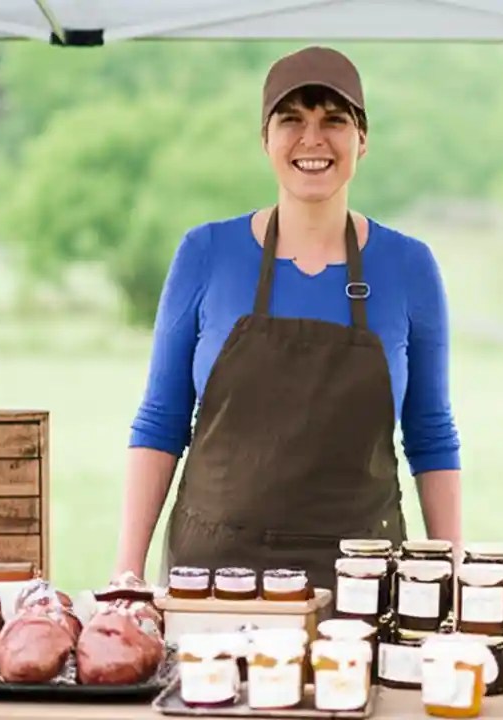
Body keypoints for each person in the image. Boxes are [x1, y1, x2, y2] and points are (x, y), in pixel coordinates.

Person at [112, 46, 462, 591]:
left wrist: (452, 573)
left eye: (334, 121)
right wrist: (126, 574)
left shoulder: (409, 265)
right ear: (266, 140)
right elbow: (160, 421)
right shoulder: (207, 252)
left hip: (361, 581)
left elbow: (431, 434)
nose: (312, 139)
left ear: (362, 141)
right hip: (213, 577)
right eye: (291, 120)